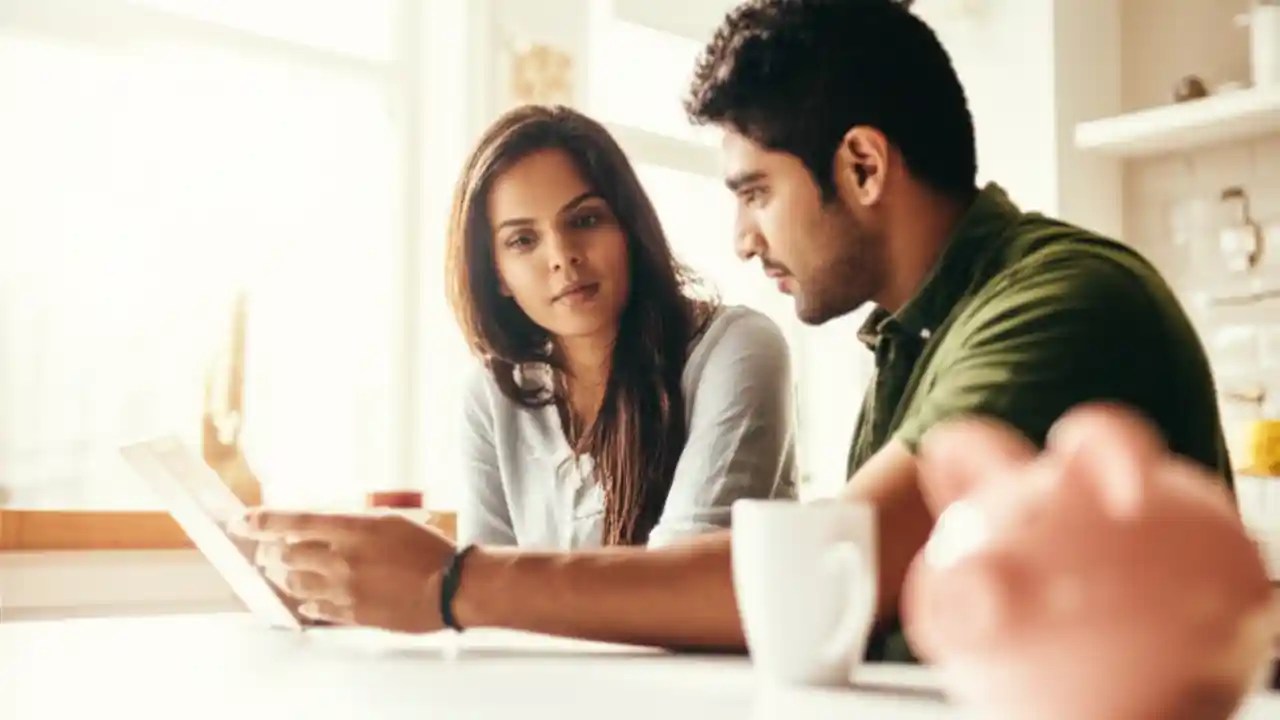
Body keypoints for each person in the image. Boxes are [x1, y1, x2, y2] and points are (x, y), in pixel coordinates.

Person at [233, 0, 1230, 660]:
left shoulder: (1055, 301)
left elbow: (824, 570)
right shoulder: (912, 333)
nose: (741, 238)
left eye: (753, 190)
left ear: (863, 167)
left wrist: (451, 581)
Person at [446, 105, 797, 550]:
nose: (562, 256)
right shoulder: (491, 394)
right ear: (496, 274)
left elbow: (680, 576)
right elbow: (482, 596)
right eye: (522, 240)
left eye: (585, 220)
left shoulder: (736, 349)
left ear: (629, 228)